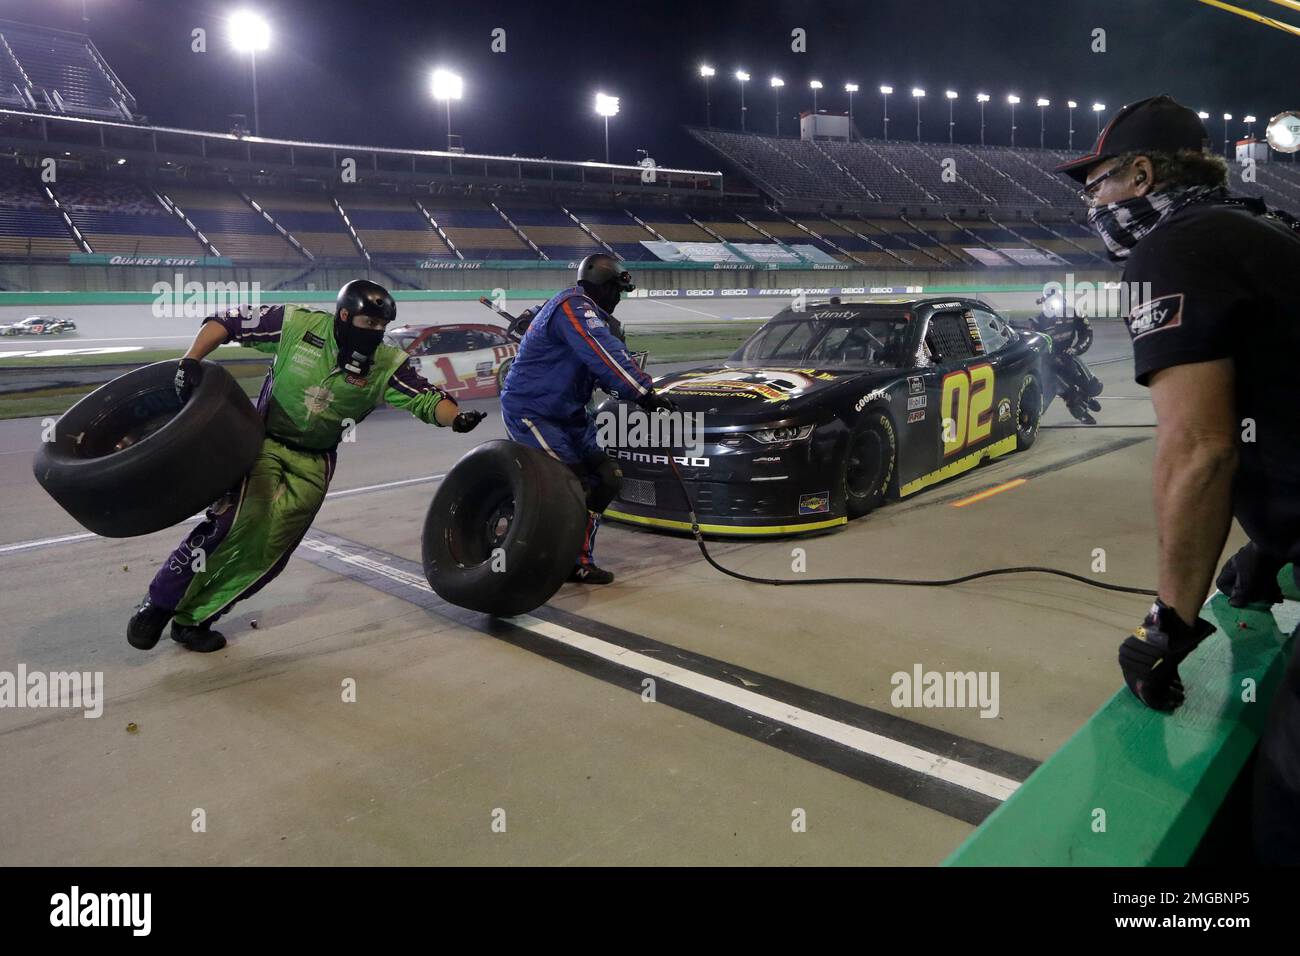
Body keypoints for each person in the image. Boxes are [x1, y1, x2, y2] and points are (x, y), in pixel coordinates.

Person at [1058, 94, 1300, 862]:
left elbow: (1200, 450)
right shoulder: (1264, 226)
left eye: (1095, 185)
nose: (1090, 204)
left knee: (1284, 815)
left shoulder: (1173, 247)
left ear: (1139, 173)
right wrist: (1275, 541)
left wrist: (1169, 621)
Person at [128, 280, 485, 653]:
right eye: (368, 325)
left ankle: (194, 618)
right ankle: (159, 603)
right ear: (344, 316)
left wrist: (455, 418)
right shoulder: (296, 324)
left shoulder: (387, 363)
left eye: (381, 327)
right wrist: (190, 359)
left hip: (315, 461)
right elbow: (227, 321)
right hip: (261, 444)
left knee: (270, 550)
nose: (375, 334)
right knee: (231, 524)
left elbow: (425, 398)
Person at [499, 254, 673, 584]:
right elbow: (603, 353)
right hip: (532, 411)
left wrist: (636, 395)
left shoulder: (591, 315)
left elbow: (604, 370)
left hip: (570, 415)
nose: (619, 299)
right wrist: (644, 392)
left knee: (606, 477)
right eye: (618, 291)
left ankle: (576, 560)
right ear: (604, 284)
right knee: (570, 482)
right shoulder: (574, 305)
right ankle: (531, 550)